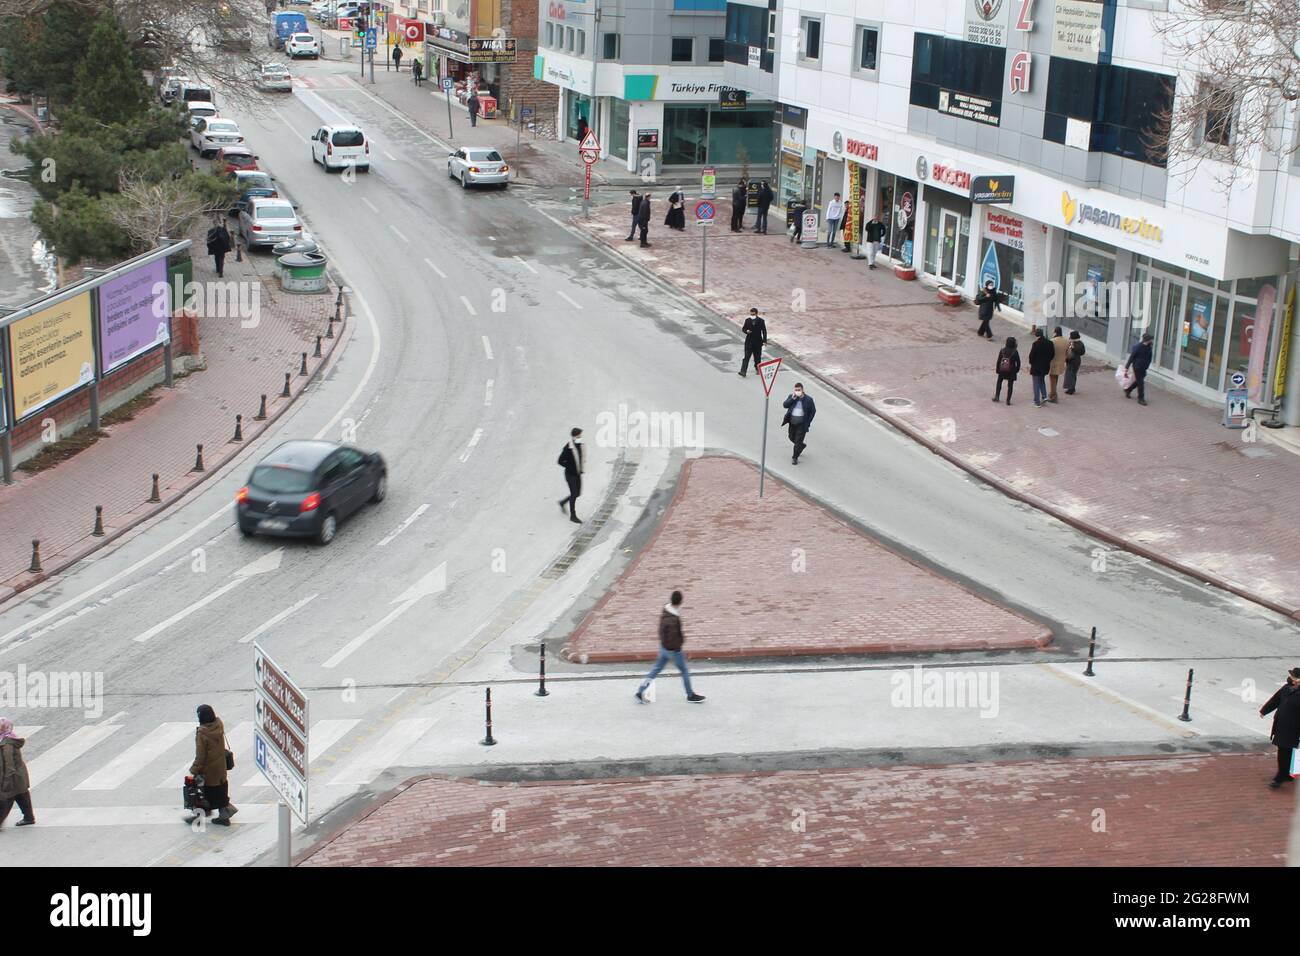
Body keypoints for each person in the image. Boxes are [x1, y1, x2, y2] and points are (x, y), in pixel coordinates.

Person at [635, 591, 705, 704]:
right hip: (673, 650)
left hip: (663, 647)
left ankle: (640, 691)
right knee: (684, 671)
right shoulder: (673, 619)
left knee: (656, 669)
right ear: (681, 601)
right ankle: (690, 695)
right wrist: (677, 648)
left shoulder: (666, 612)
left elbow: (662, 631)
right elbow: (673, 638)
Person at [188, 704, 236, 826]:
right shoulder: (218, 725)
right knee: (220, 791)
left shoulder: (202, 734)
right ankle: (223, 814)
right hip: (220, 767)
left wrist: (194, 769)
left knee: (198, 791)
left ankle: (200, 815)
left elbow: (201, 756)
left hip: (208, 770)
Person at [1261, 669, 1300, 789]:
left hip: (1293, 728)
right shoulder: (1286, 687)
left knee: (1286, 751)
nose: (1291, 678)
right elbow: (1275, 700)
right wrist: (1264, 710)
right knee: (1284, 749)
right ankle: (1285, 773)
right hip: (1281, 725)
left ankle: (1280, 776)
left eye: (1293, 676)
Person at [0, 718, 34, 828]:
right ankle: (29, 817)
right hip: (19, 776)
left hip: (12, 777)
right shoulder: (9, 738)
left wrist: (7, 782)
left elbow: (9, 764)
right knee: (22, 795)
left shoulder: (7, 745)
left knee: (6, 798)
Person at [781, 382, 816, 464]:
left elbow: (813, 411)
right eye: (796, 390)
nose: (797, 391)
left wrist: (808, 422)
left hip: (802, 424)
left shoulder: (808, 400)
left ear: (803, 390)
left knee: (797, 442)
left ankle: (794, 457)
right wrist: (792, 399)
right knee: (791, 437)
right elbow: (785, 405)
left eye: (799, 390)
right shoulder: (792, 397)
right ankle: (801, 445)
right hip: (792, 423)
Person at [557, 427, 584, 524]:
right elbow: (560, 461)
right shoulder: (568, 447)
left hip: (577, 473)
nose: (581, 436)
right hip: (570, 474)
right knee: (574, 494)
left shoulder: (580, 444)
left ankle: (562, 502)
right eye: (579, 435)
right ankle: (573, 516)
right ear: (575, 436)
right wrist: (570, 467)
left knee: (577, 494)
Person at [1028, 326, 1054, 408]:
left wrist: (1032, 363)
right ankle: (1044, 396)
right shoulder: (1050, 343)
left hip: (1036, 367)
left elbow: (1031, 356)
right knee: (1042, 380)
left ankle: (1037, 401)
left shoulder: (1036, 344)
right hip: (1045, 366)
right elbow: (1052, 354)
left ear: (1036, 335)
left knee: (1036, 384)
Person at [1124, 333, 1153, 405]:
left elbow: (1149, 357)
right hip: (1137, 367)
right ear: (1147, 340)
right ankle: (1141, 399)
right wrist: (1126, 368)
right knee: (1141, 383)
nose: (1152, 340)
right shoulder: (1138, 347)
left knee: (1138, 382)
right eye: (1151, 339)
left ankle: (1128, 390)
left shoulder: (1149, 347)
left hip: (1144, 368)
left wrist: (1147, 366)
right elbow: (1131, 358)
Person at [738, 308, 767, 377]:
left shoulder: (761, 321)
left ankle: (757, 369)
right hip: (749, 342)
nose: (752, 315)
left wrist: (764, 341)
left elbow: (764, 331)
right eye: (751, 314)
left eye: (753, 314)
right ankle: (743, 371)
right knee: (746, 357)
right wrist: (746, 331)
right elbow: (743, 328)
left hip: (758, 342)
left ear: (756, 314)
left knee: (757, 358)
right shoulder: (747, 320)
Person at [993, 336, 1020, 405]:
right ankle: (1008, 400)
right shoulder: (1015, 351)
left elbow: (998, 361)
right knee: (1010, 385)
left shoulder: (1002, 350)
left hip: (1003, 369)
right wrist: (1016, 370)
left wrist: (997, 369)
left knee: (999, 382)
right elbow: (1018, 362)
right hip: (1011, 371)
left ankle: (997, 396)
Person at [1047, 327, 1069, 402]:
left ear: (1055, 332)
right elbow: (1068, 353)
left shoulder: (1052, 341)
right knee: (1056, 378)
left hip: (1053, 363)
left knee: (1052, 379)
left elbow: (1049, 352)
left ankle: (1053, 396)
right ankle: (1052, 393)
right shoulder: (1066, 341)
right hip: (1061, 363)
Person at [1063, 330, 1085, 395]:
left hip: (1072, 361)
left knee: (1070, 374)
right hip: (1078, 360)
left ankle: (1071, 389)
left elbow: (1070, 350)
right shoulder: (1081, 343)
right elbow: (1083, 352)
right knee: (1073, 374)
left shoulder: (1072, 343)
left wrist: (1072, 348)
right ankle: (1072, 387)